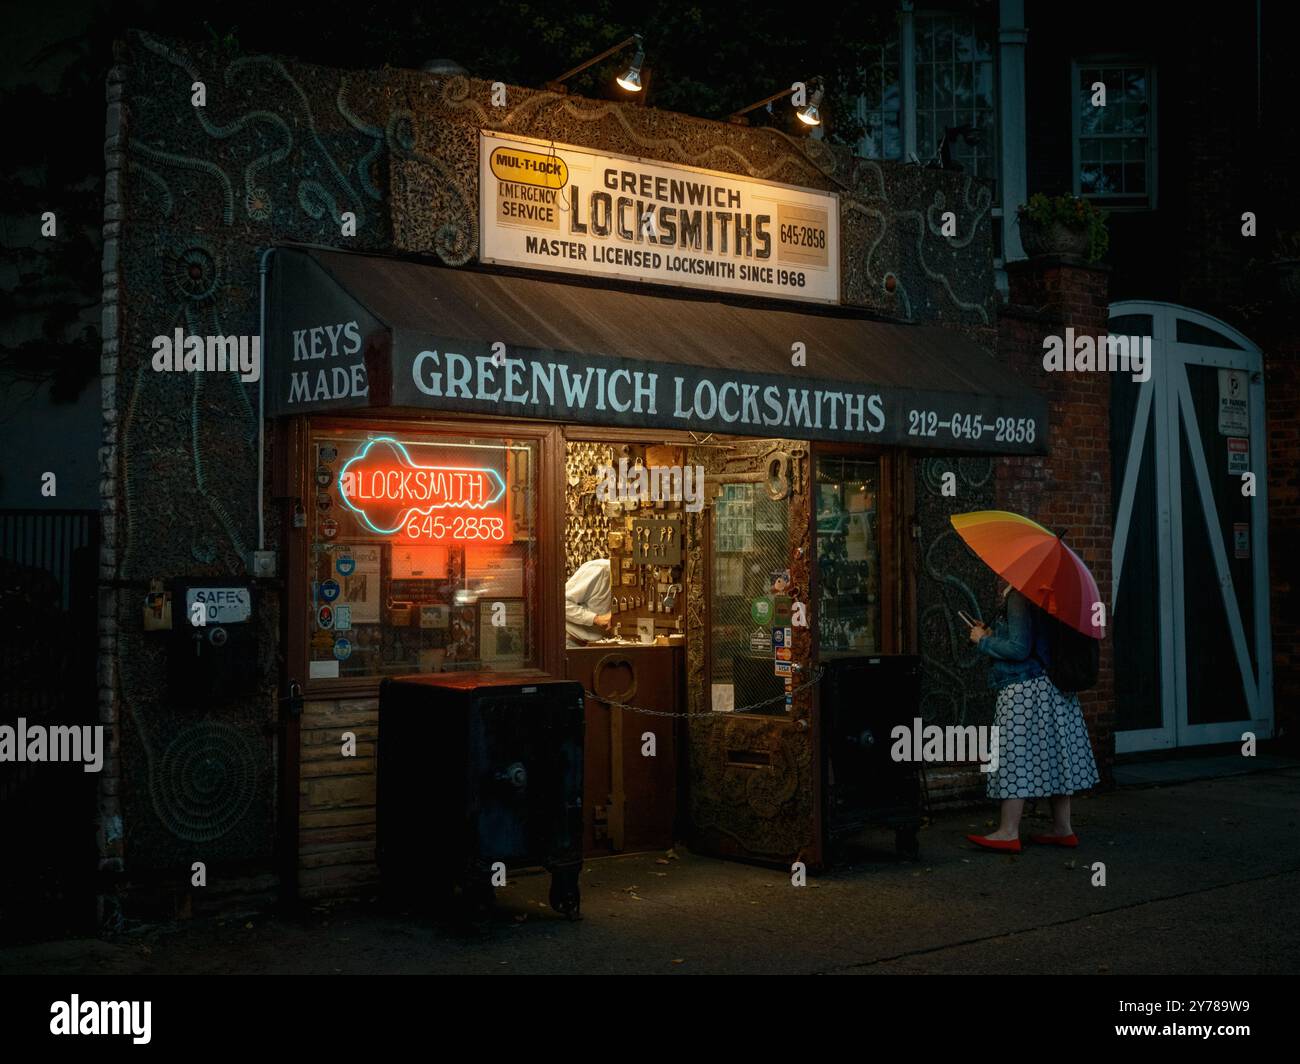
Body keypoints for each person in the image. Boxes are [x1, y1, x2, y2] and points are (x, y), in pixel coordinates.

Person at [965, 583, 1100, 853]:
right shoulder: (1047, 592)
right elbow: (1033, 639)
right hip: (1051, 686)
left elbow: (1019, 649)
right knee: (1056, 756)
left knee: (1014, 756)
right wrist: (994, 633)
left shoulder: (1019, 595)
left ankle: (1007, 832)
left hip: (1024, 688)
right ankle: (1063, 828)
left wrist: (983, 640)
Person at [565, 557, 613, 647]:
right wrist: (596, 619)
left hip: (601, 646)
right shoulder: (598, 569)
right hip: (573, 643)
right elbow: (561, 604)